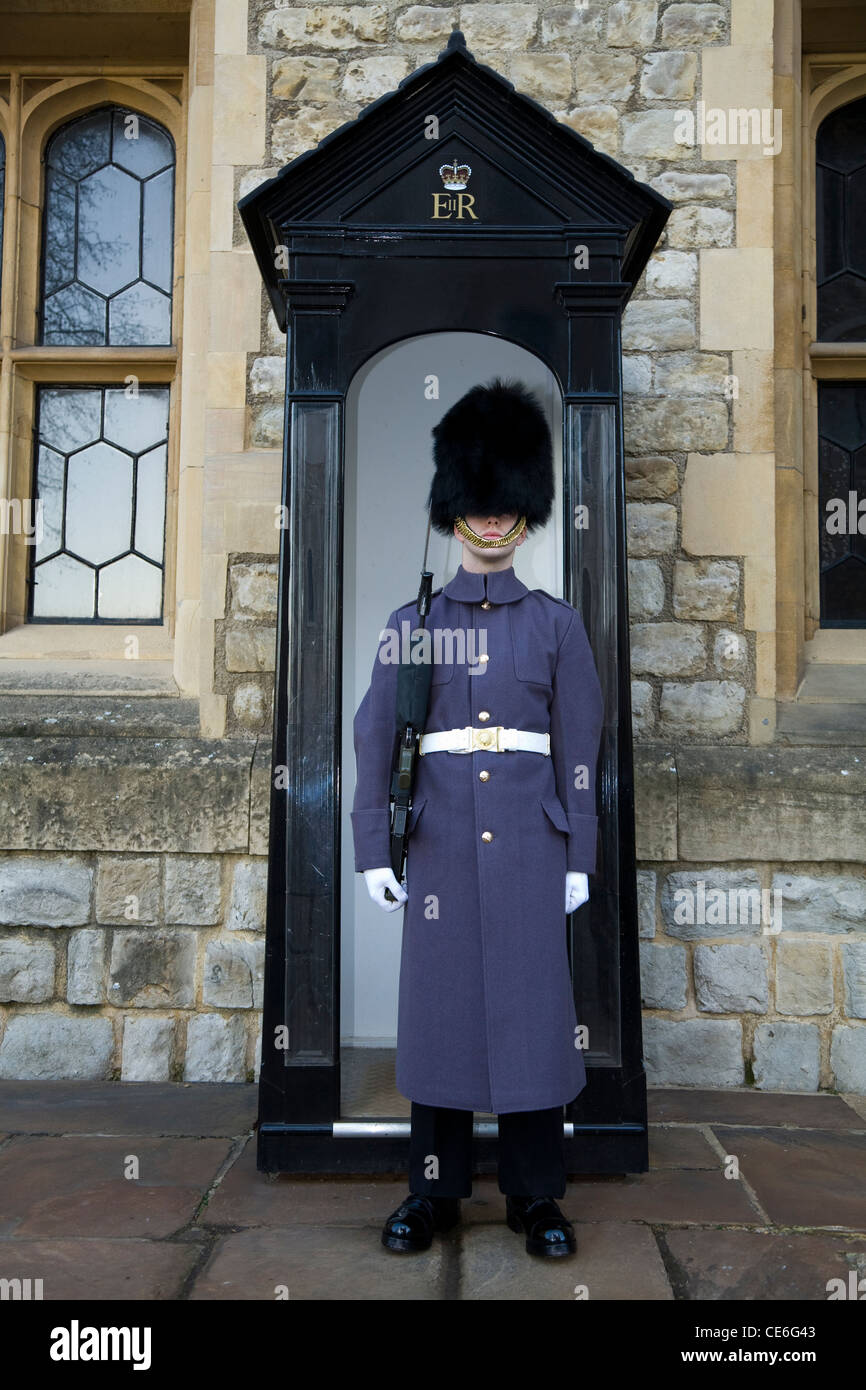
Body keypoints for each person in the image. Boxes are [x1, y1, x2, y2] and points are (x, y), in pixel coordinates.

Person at [351, 377, 604, 1258]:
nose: (493, 522)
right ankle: (433, 1193)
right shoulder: (410, 623)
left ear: (526, 515)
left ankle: (537, 1197)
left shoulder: (556, 627)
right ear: (456, 511)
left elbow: (580, 746)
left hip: (533, 843)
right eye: (479, 507)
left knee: (535, 1014)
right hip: (442, 842)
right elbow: (376, 737)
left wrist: (579, 852)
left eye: (507, 509)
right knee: (441, 1014)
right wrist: (372, 847)